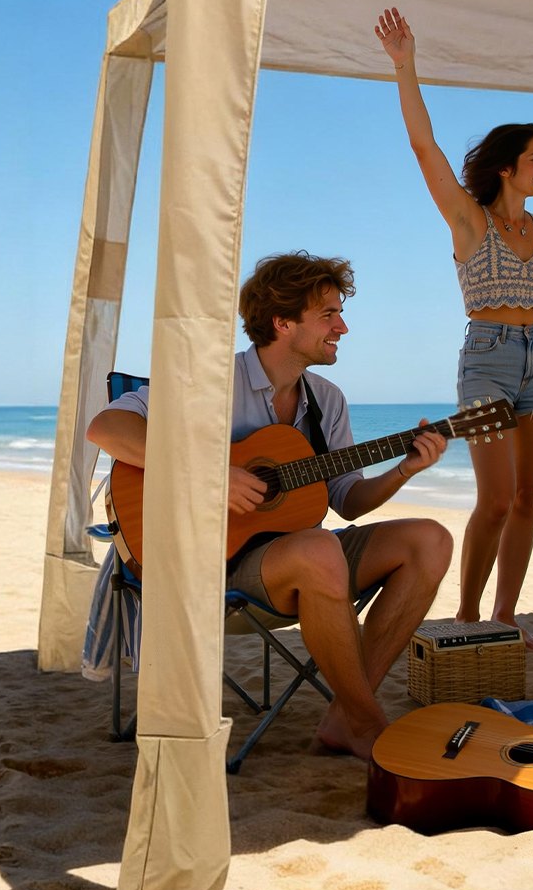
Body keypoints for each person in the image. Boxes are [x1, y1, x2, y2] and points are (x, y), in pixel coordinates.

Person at [87, 252, 454, 761]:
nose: (343, 327)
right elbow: (106, 428)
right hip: (211, 566)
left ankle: (346, 715)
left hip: (296, 560)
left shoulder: (327, 400)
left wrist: (404, 469)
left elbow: (347, 501)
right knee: (320, 549)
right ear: (282, 323)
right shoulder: (209, 380)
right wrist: (212, 476)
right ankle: (369, 723)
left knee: (429, 539)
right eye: (328, 315)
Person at [376, 5, 533, 651]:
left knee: (529, 500)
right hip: (487, 357)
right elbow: (424, 147)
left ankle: (505, 616)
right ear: (508, 165)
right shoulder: (468, 219)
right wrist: (406, 66)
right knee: (497, 501)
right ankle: (470, 613)